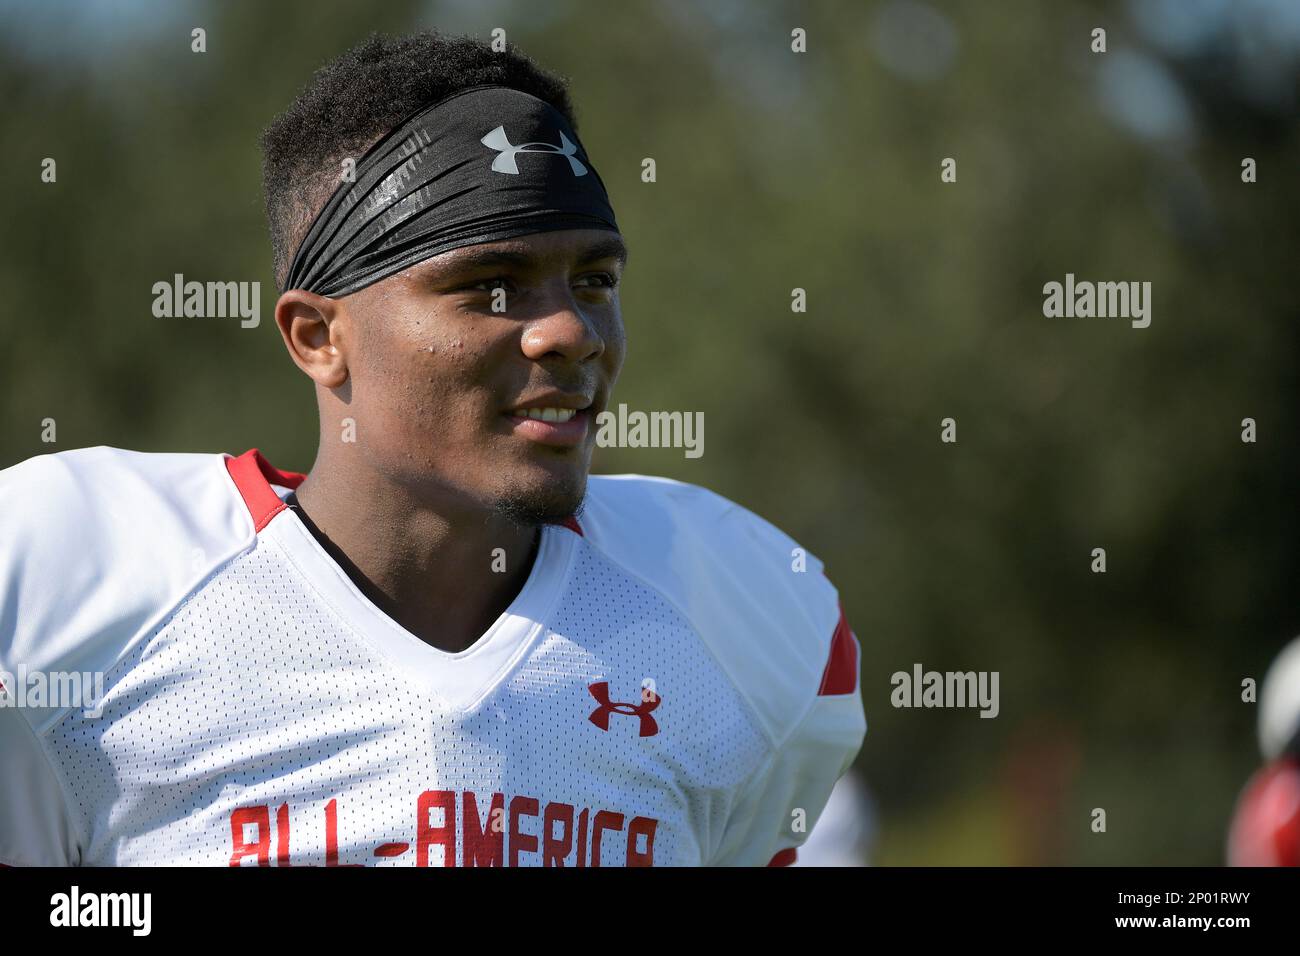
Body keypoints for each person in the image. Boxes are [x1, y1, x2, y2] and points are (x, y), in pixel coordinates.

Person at [0, 30, 865, 867]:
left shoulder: (730, 617)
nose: (570, 330)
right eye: (492, 288)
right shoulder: (67, 593)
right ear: (317, 337)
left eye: (595, 280)